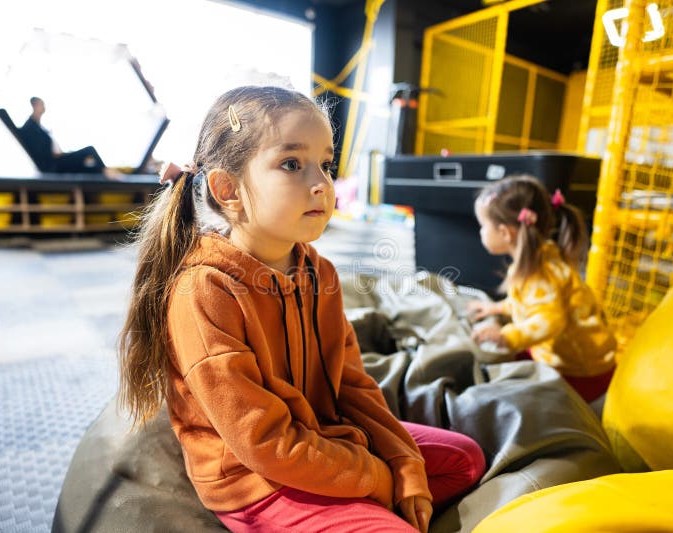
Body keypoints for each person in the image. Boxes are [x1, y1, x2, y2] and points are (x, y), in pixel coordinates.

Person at [118, 86, 485, 532]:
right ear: (228, 189)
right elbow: (263, 442)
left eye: (326, 165)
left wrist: (404, 466)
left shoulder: (319, 272)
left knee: (463, 460)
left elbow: (353, 383)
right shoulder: (204, 291)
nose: (322, 184)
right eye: (292, 164)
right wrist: (376, 477)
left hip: (323, 434)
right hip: (257, 480)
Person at [468, 175, 616, 403]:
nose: (481, 232)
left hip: (582, 371)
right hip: (568, 354)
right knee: (509, 359)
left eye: (483, 226)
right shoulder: (540, 257)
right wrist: (497, 308)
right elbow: (529, 303)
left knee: (510, 387)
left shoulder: (540, 274)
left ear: (505, 232)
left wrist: (505, 336)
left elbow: (550, 321)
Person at [18, 96, 107, 174]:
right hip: (52, 165)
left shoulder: (38, 127)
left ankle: (102, 177)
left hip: (55, 161)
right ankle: (107, 173)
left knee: (91, 167)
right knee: (89, 150)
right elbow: (42, 153)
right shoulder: (30, 127)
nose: (44, 108)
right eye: (41, 105)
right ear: (34, 106)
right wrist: (60, 155)